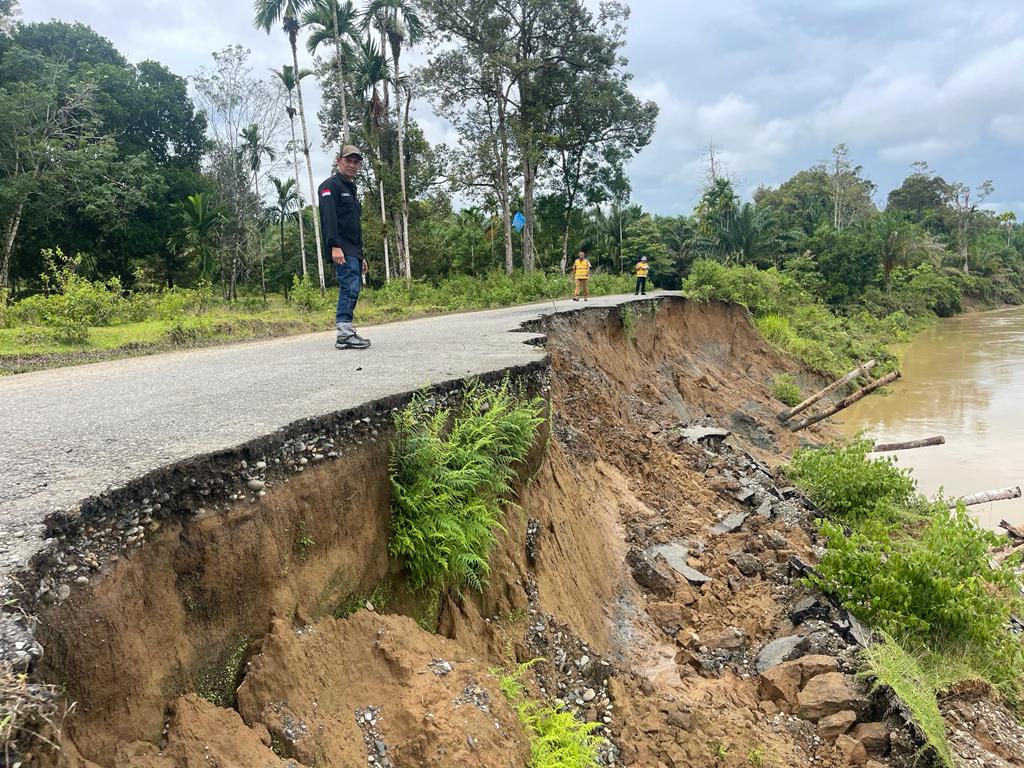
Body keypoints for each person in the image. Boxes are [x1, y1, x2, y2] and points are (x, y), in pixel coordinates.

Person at [319, 145, 370, 350]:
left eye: (356, 162)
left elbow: (353, 225)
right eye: (348, 160)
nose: (352, 165)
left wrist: (361, 256)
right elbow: (329, 219)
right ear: (339, 161)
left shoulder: (351, 188)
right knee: (349, 287)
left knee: (353, 287)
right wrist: (334, 246)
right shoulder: (329, 186)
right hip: (341, 248)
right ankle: (344, 334)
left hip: (353, 250)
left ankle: (346, 330)